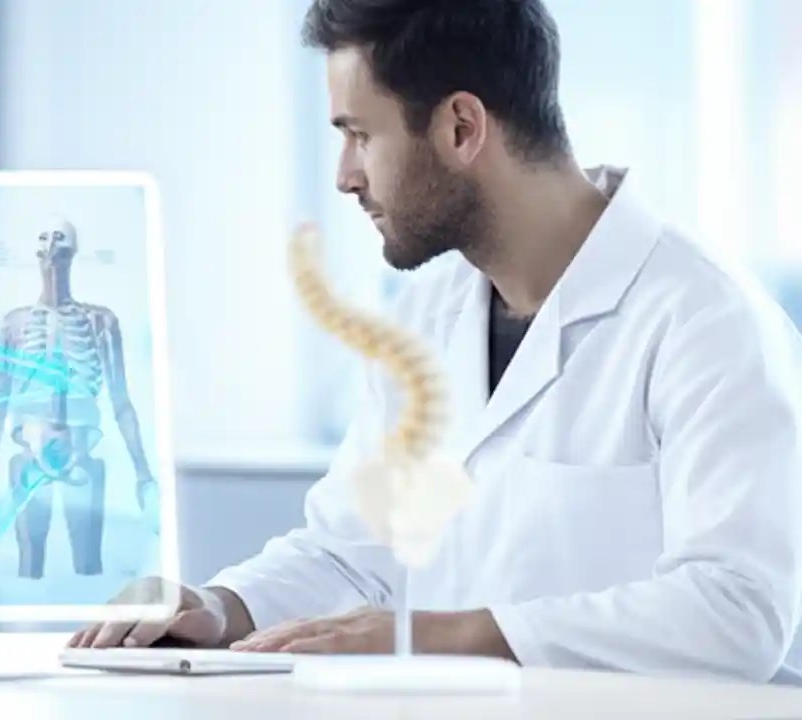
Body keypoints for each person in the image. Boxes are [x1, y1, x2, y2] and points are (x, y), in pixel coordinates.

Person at [67, 0, 802, 684]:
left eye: (360, 135)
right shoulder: (427, 316)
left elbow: (739, 611)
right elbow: (356, 551)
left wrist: (431, 635)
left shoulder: (706, 319)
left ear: (460, 128)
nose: (345, 176)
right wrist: (222, 607)